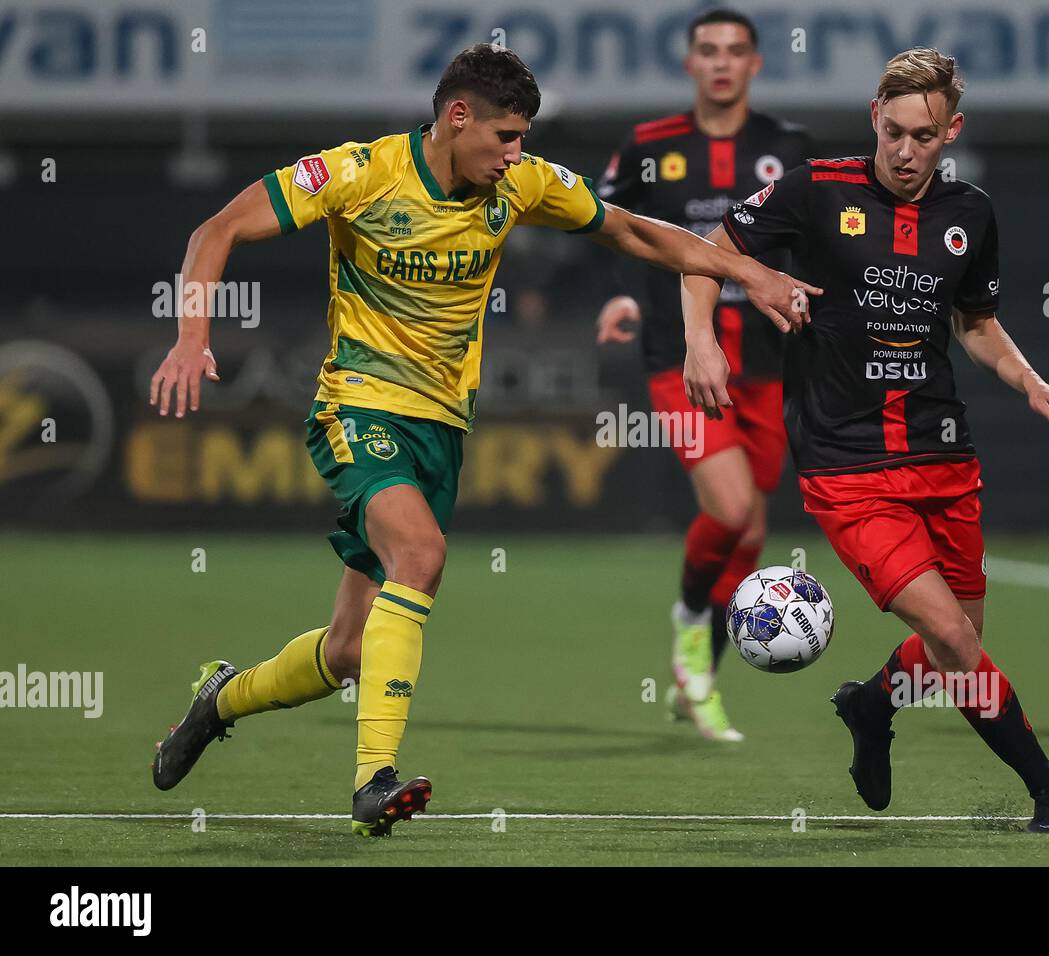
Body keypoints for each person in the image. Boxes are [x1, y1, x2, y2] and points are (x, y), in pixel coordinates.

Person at [148, 43, 817, 836]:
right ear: (456, 117)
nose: (516, 153)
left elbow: (637, 232)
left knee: (349, 651)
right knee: (421, 558)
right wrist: (193, 336)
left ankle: (217, 699)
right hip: (358, 409)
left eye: (523, 138)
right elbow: (215, 230)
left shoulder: (523, 184)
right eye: (505, 136)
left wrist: (749, 274)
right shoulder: (358, 173)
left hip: (442, 427)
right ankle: (373, 783)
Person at [681, 47, 1049, 830]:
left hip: (945, 455)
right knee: (953, 641)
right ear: (874, 116)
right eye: (893, 131)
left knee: (955, 648)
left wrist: (1031, 381)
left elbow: (976, 324)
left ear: (951, 130)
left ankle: (870, 706)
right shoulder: (818, 189)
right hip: (848, 467)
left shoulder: (972, 213)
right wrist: (702, 337)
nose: (904, 151)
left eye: (924, 136)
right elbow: (707, 253)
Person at [594, 8, 811, 740]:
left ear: (755, 64)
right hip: (679, 356)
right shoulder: (650, 147)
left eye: (736, 52)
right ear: (690, 63)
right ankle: (690, 617)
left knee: (750, 528)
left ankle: (698, 679)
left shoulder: (790, 147)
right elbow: (608, 227)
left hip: (771, 366)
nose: (721, 63)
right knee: (727, 508)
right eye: (708, 51)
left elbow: (809, 246)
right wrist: (624, 292)